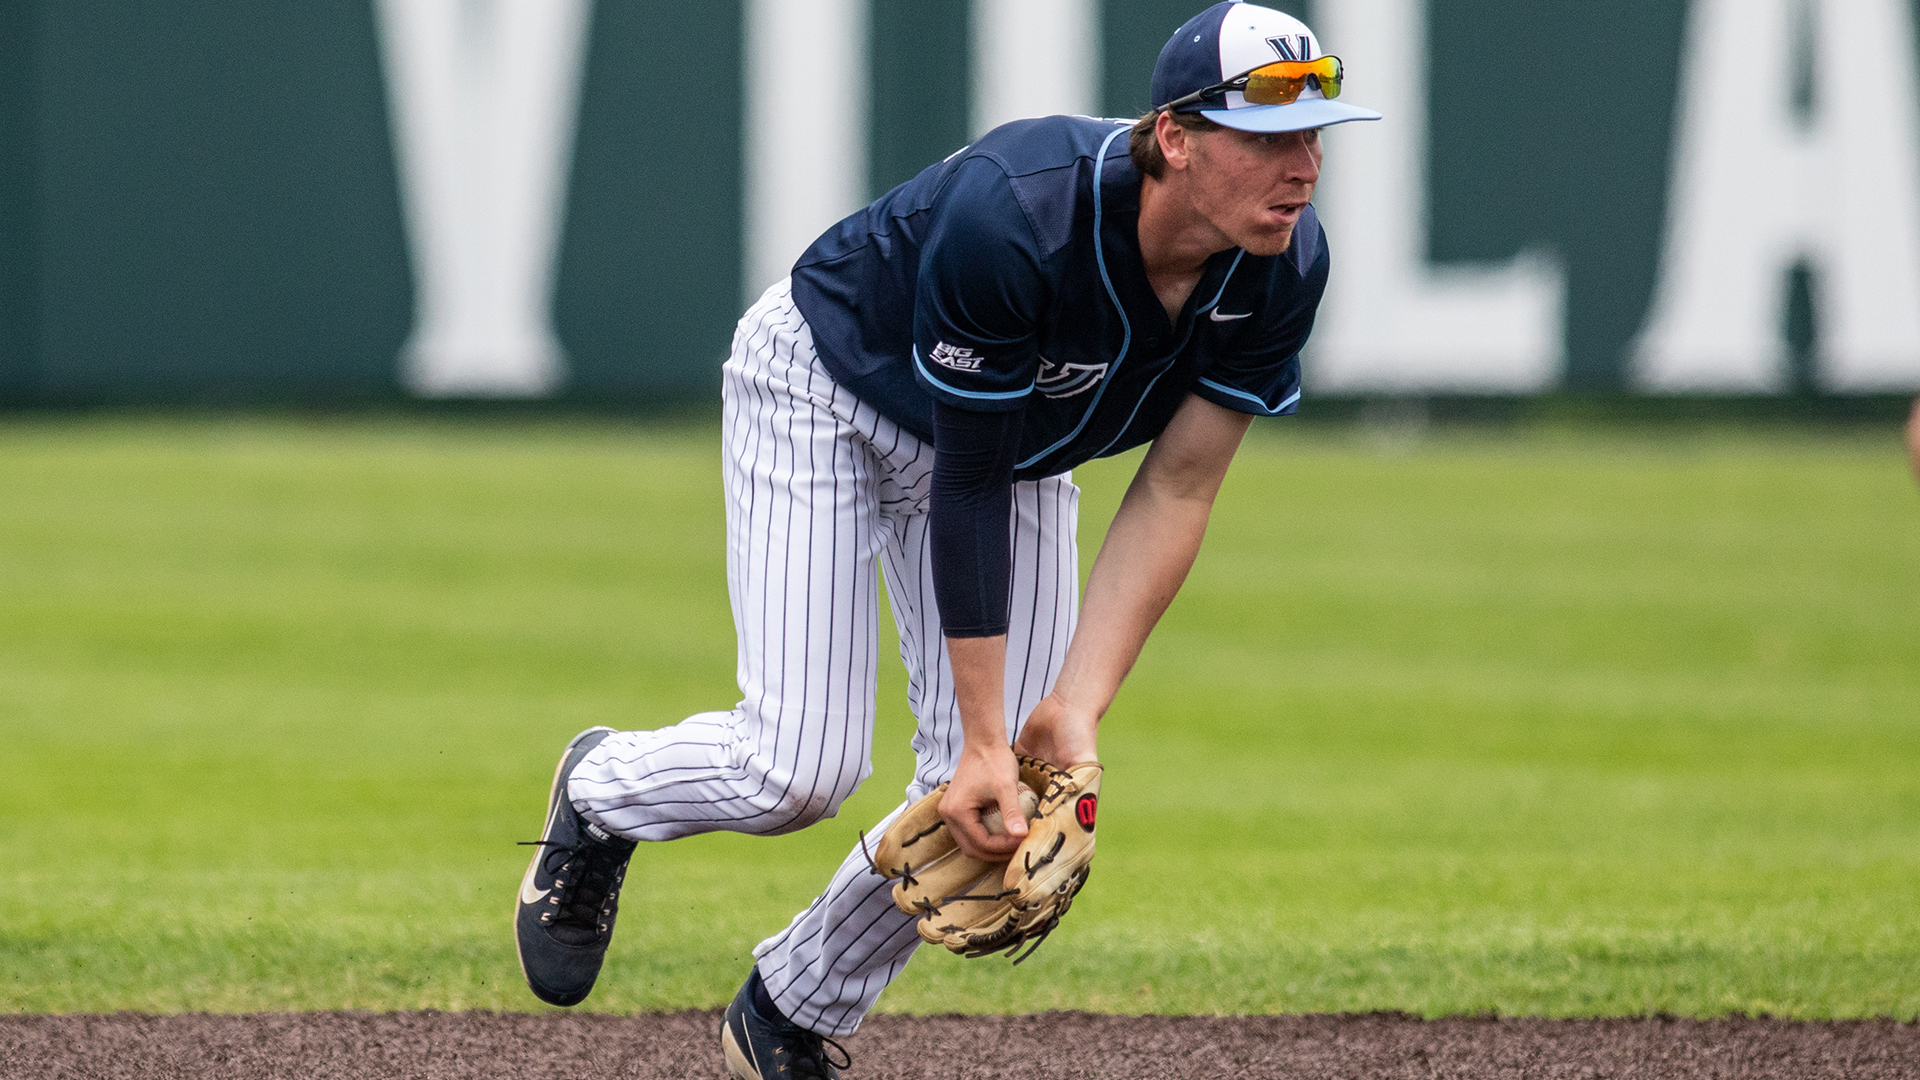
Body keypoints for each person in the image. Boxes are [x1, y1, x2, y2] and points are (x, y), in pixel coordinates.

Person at [512, 4, 1379, 1076]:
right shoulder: (1018, 215)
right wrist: (978, 738)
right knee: (798, 770)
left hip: (1012, 450)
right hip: (829, 392)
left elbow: (1179, 489)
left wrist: (1075, 707)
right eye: (1267, 138)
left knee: (1000, 787)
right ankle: (603, 794)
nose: (1303, 167)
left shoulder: (1281, 268)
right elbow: (965, 478)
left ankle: (790, 1007)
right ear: (1176, 137)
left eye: (1315, 136)